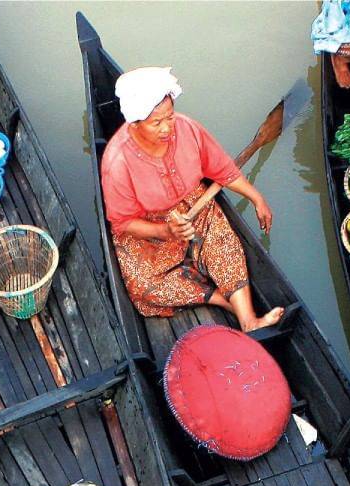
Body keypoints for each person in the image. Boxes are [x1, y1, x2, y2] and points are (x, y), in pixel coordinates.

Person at [101, 67, 285, 330]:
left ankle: (248, 319)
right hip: (147, 226)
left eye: (170, 117)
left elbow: (222, 170)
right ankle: (219, 299)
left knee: (223, 242)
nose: (167, 128)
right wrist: (165, 231)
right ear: (135, 123)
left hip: (193, 204)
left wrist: (256, 198)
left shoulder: (187, 129)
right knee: (143, 287)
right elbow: (123, 223)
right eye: (156, 123)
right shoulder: (117, 163)